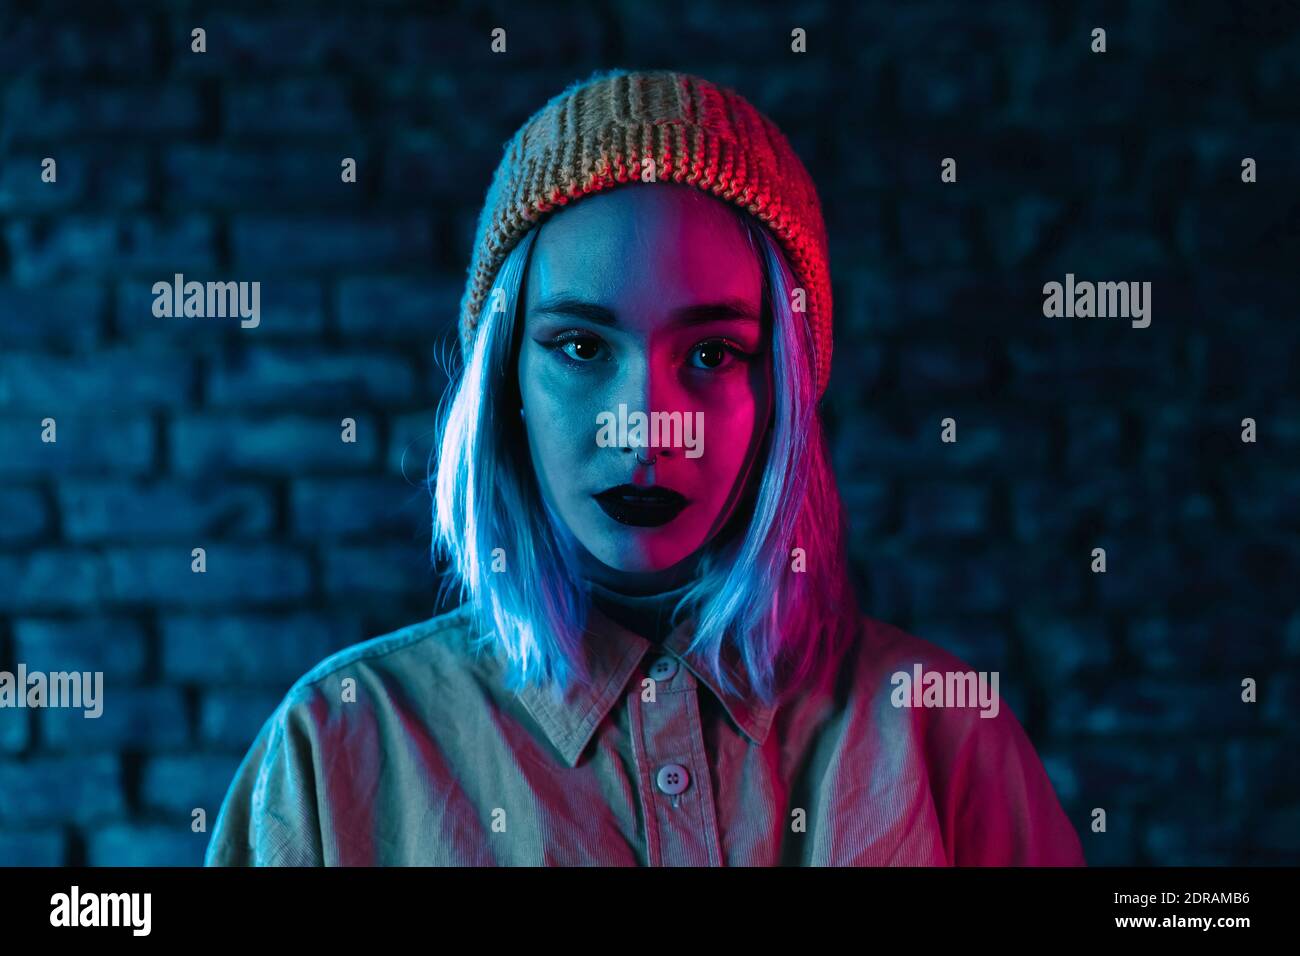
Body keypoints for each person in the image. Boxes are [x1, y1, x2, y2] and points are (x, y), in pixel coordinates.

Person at [205, 68, 1085, 866]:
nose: (647, 428)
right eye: (582, 347)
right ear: (507, 376)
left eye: (712, 354)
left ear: (782, 388)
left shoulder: (945, 736)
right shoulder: (334, 751)